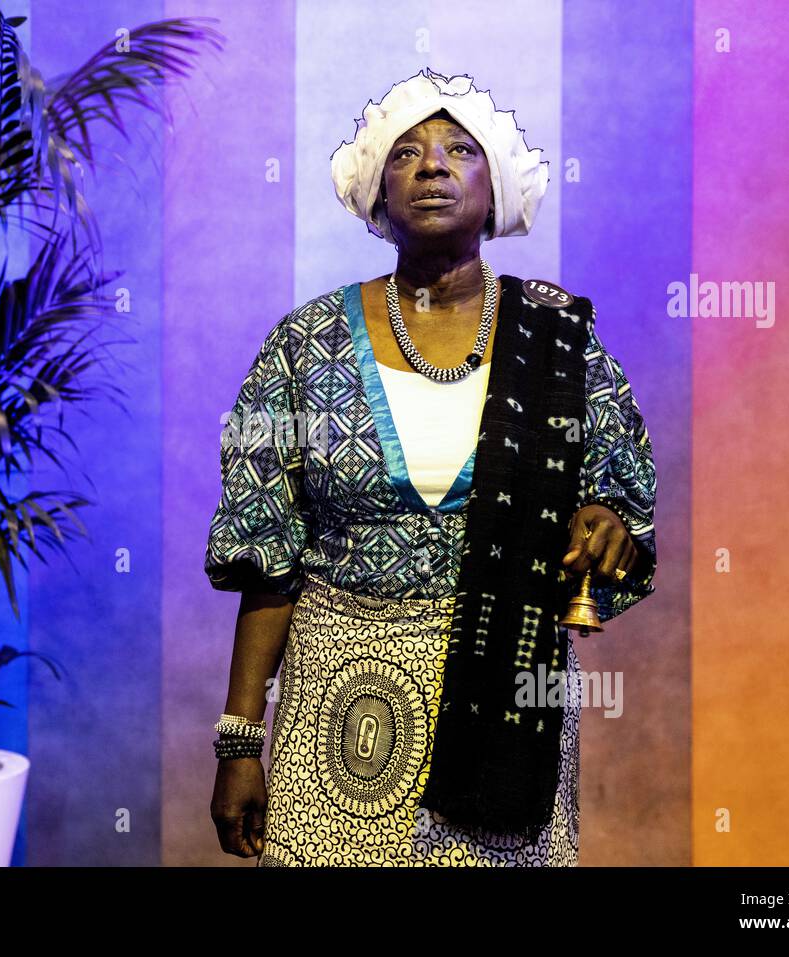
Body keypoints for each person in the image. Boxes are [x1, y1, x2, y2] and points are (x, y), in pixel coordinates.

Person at [204, 68, 657, 866]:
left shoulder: (559, 342)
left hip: (507, 703)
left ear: (496, 186)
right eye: (406, 153)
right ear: (379, 194)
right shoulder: (303, 346)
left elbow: (618, 494)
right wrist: (240, 740)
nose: (433, 165)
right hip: (333, 712)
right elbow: (265, 558)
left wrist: (607, 522)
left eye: (458, 149)